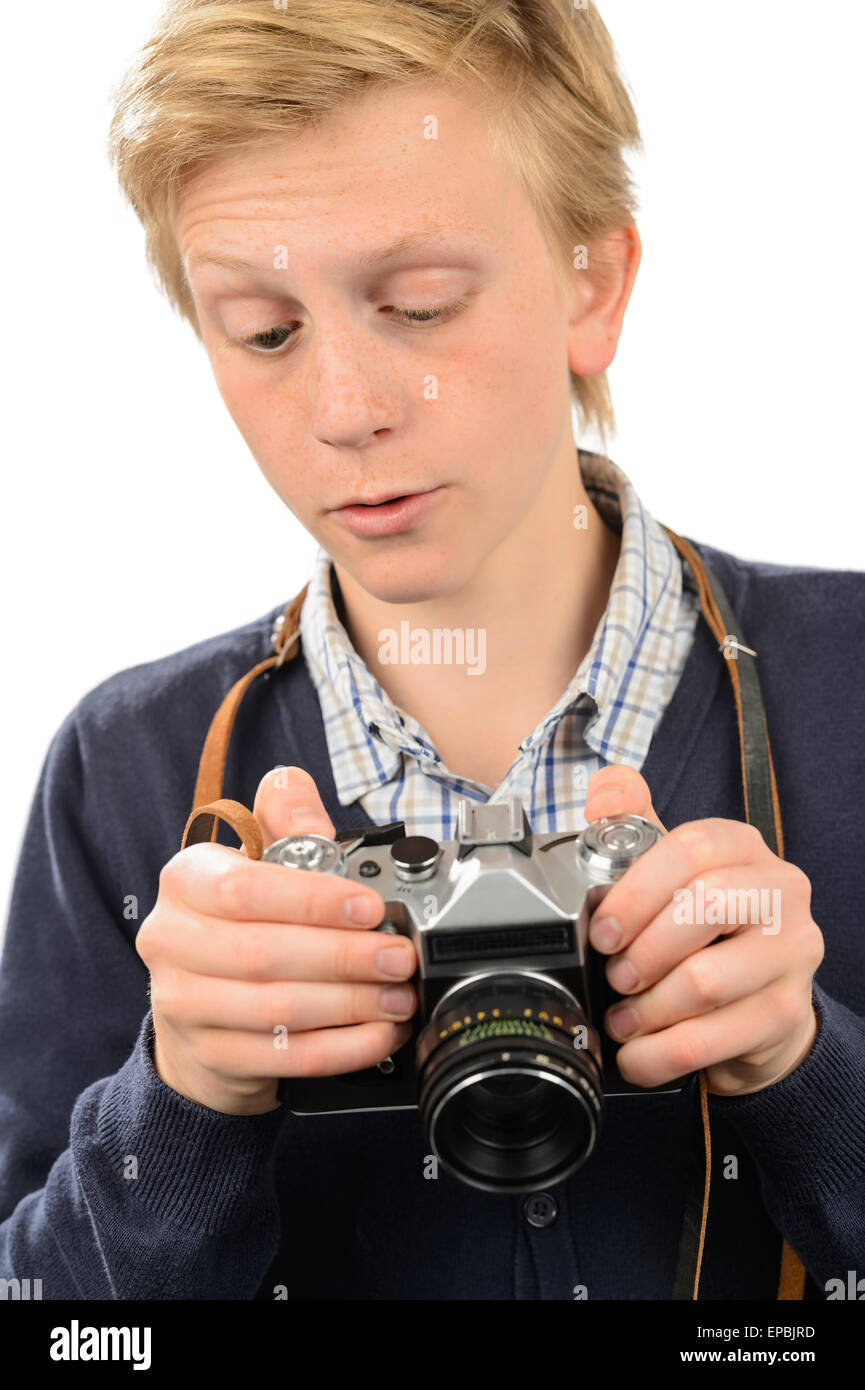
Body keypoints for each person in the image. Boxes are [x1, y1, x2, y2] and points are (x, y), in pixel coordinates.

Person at [1, 0, 862, 1302]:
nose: (345, 411)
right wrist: (179, 1102)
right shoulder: (124, 772)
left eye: (418, 305)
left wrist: (804, 1067)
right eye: (265, 331)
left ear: (592, 284)